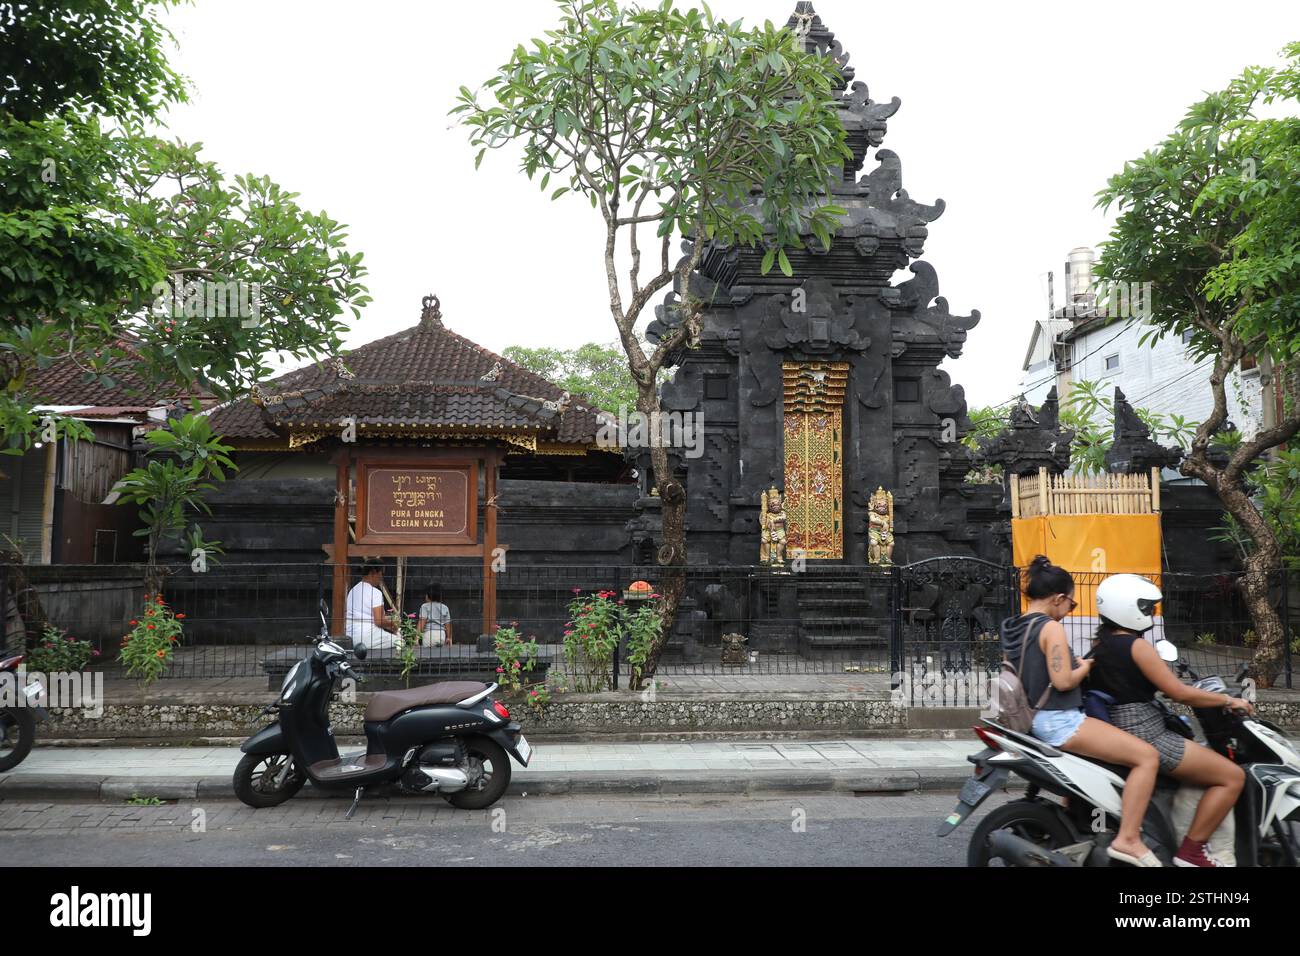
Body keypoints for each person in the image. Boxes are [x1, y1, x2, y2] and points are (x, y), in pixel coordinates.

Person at [1000, 555, 1162, 866]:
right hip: (1060, 721)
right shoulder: (1050, 628)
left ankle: (1078, 827)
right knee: (1147, 757)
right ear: (1058, 599)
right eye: (1071, 605)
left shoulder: (1015, 627)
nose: (1069, 611)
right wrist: (1084, 666)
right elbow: (1062, 681)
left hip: (1033, 718)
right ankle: (1129, 838)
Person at [1087, 573, 1250, 868]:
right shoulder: (1136, 647)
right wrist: (1229, 699)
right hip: (1148, 733)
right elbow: (1178, 692)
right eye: (1146, 607)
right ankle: (1192, 851)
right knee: (1232, 777)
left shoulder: (1100, 644)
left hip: (1120, 730)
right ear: (1128, 608)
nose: (1150, 613)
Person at [345, 561, 397, 652]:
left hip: (350, 637)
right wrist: (393, 625)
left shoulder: (352, 590)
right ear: (373, 572)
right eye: (381, 574)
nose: (381, 577)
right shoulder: (375, 592)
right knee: (400, 641)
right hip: (367, 636)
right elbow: (379, 621)